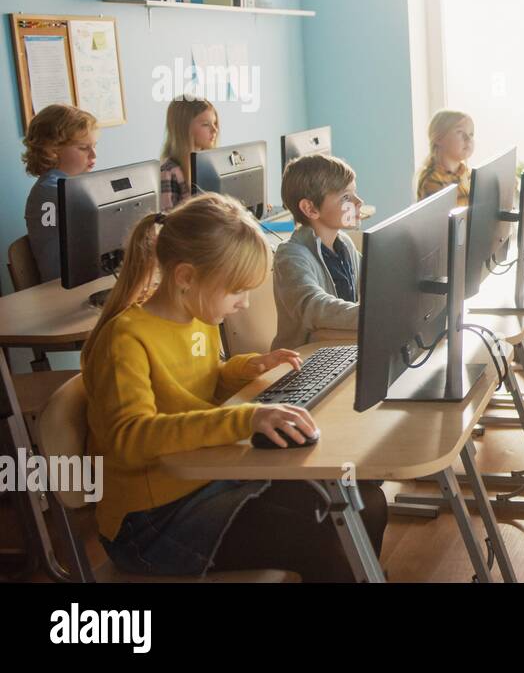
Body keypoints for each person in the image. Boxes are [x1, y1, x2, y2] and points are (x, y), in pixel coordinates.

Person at [82, 194, 386, 581]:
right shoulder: (124, 339)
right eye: (237, 290)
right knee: (327, 539)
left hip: (209, 478)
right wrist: (244, 419)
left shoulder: (196, 315)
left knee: (366, 503)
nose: (244, 304)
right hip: (150, 520)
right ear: (186, 277)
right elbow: (130, 437)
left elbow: (205, 379)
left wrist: (249, 367)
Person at [272, 154, 365, 349]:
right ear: (310, 208)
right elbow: (314, 308)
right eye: (346, 197)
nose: (359, 202)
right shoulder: (290, 256)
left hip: (340, 349)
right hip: (305, 361)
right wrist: (371, 315)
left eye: (354, 193)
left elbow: (374, 280)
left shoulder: (344, 244)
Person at [21, 104, 98, 282]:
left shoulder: (72, 185)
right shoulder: (51, 190)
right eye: (83, 148)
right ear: (52, 150)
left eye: (94, 146)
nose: (93, 154)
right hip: (63, 289)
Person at [159, 96, 220, 211]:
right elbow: (168, 222)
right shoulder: (169, 171)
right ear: (184, 128)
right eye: (206, 124)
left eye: (215, 123)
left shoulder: (209, 164)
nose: (215, 130)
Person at [415, 109, 474, 205]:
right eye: (459, 132)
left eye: (471, 134)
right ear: (438, 138)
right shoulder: (431, 179)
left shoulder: (465, 174)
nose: (468, 139)